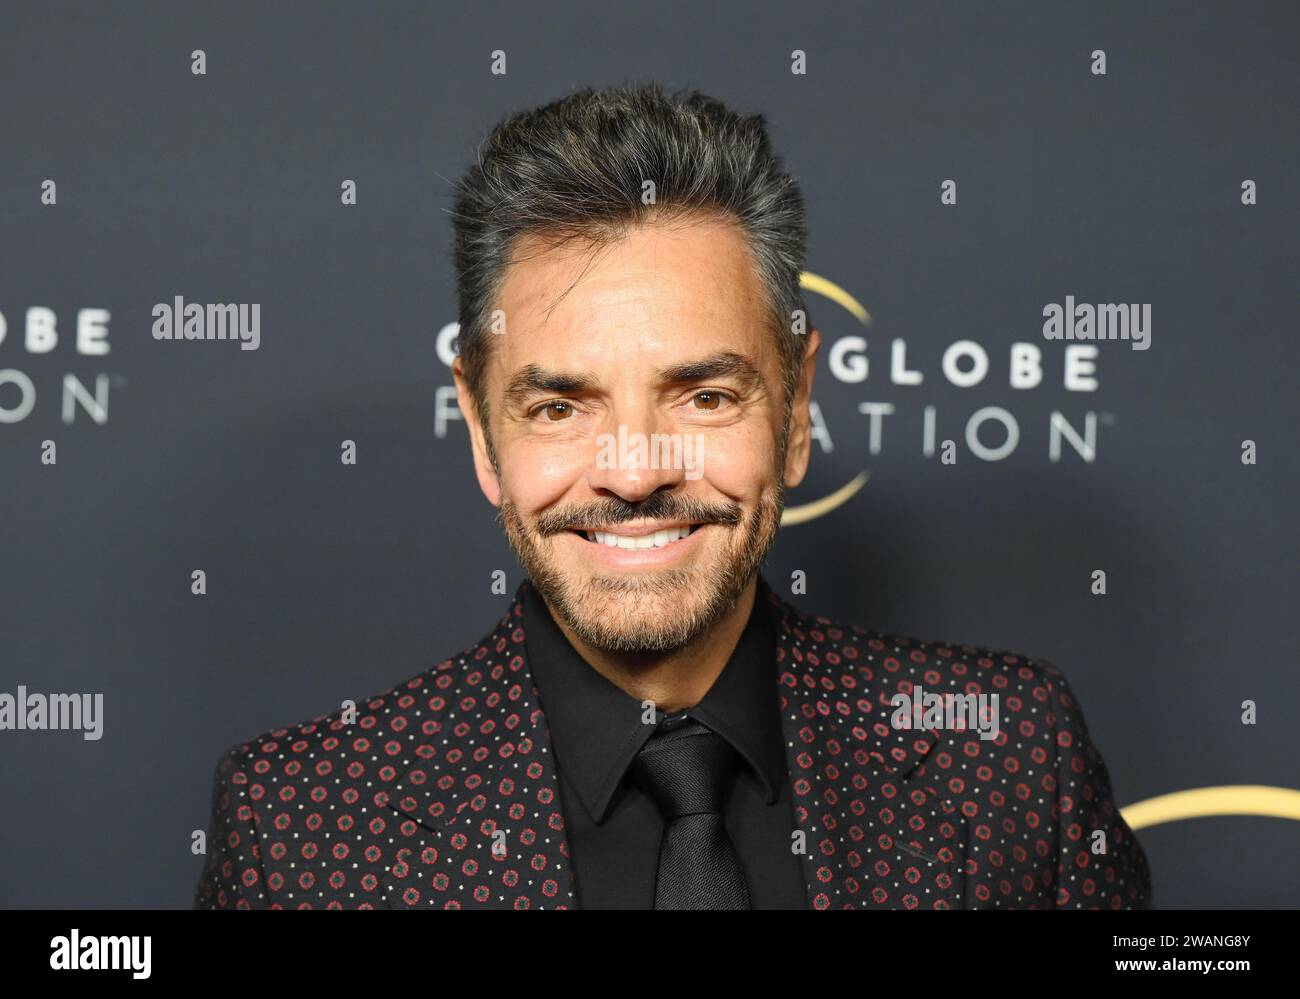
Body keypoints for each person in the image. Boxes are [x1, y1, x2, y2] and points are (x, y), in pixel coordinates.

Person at [195, 82, 1152, 909]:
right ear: (482, 429)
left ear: (795, 408)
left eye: (704, 396)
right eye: (561, 405)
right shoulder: (302, 832)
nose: (637, 468)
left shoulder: (1009, 760)